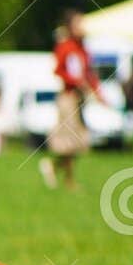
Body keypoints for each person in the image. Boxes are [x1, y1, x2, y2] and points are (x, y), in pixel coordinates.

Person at [41, 11, 103, 190]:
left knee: (80, 142)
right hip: (68, 98)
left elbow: (89, 74)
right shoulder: (65, 47)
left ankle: (53, 167)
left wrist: (99, 94)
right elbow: (58, 70)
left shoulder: (82, 49)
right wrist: (75, 81)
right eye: (78, 24)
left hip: (79, 98)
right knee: (69, 142)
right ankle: (69, 180)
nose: (82, 28)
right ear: (70, 27)